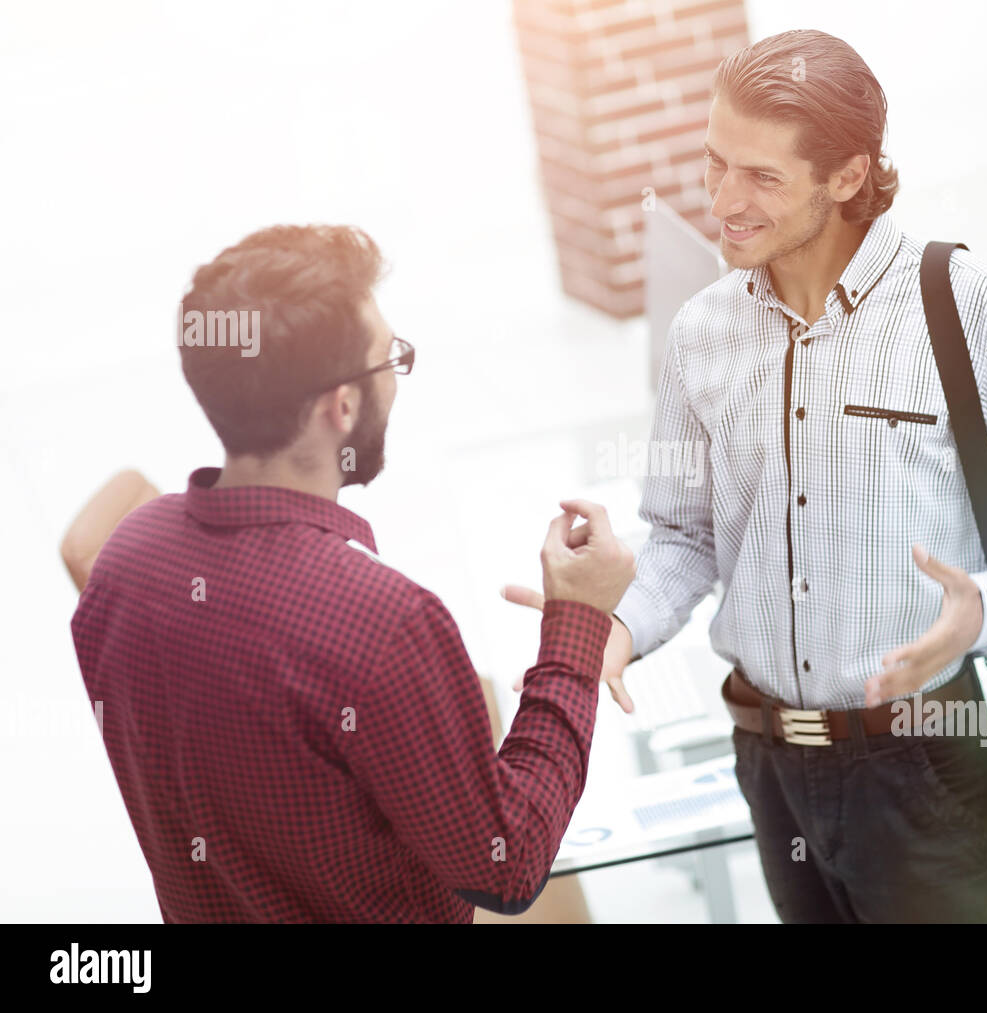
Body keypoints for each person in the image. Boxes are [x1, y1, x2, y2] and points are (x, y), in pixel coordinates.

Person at [509, 29, 987, 923]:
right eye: (714, 163)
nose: (724, 201)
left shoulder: (969, 306)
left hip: (928, 762)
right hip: (771, 766)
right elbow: (688, 537)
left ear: (848, 176)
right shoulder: (703, 334)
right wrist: (613, 626)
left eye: (762, 177)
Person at [69, 225, 635, 923]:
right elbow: (506, 864)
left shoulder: (126, 562)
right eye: (389, 361)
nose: (394, 381)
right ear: (340, 405)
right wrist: (577, 624)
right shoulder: (384, 623)